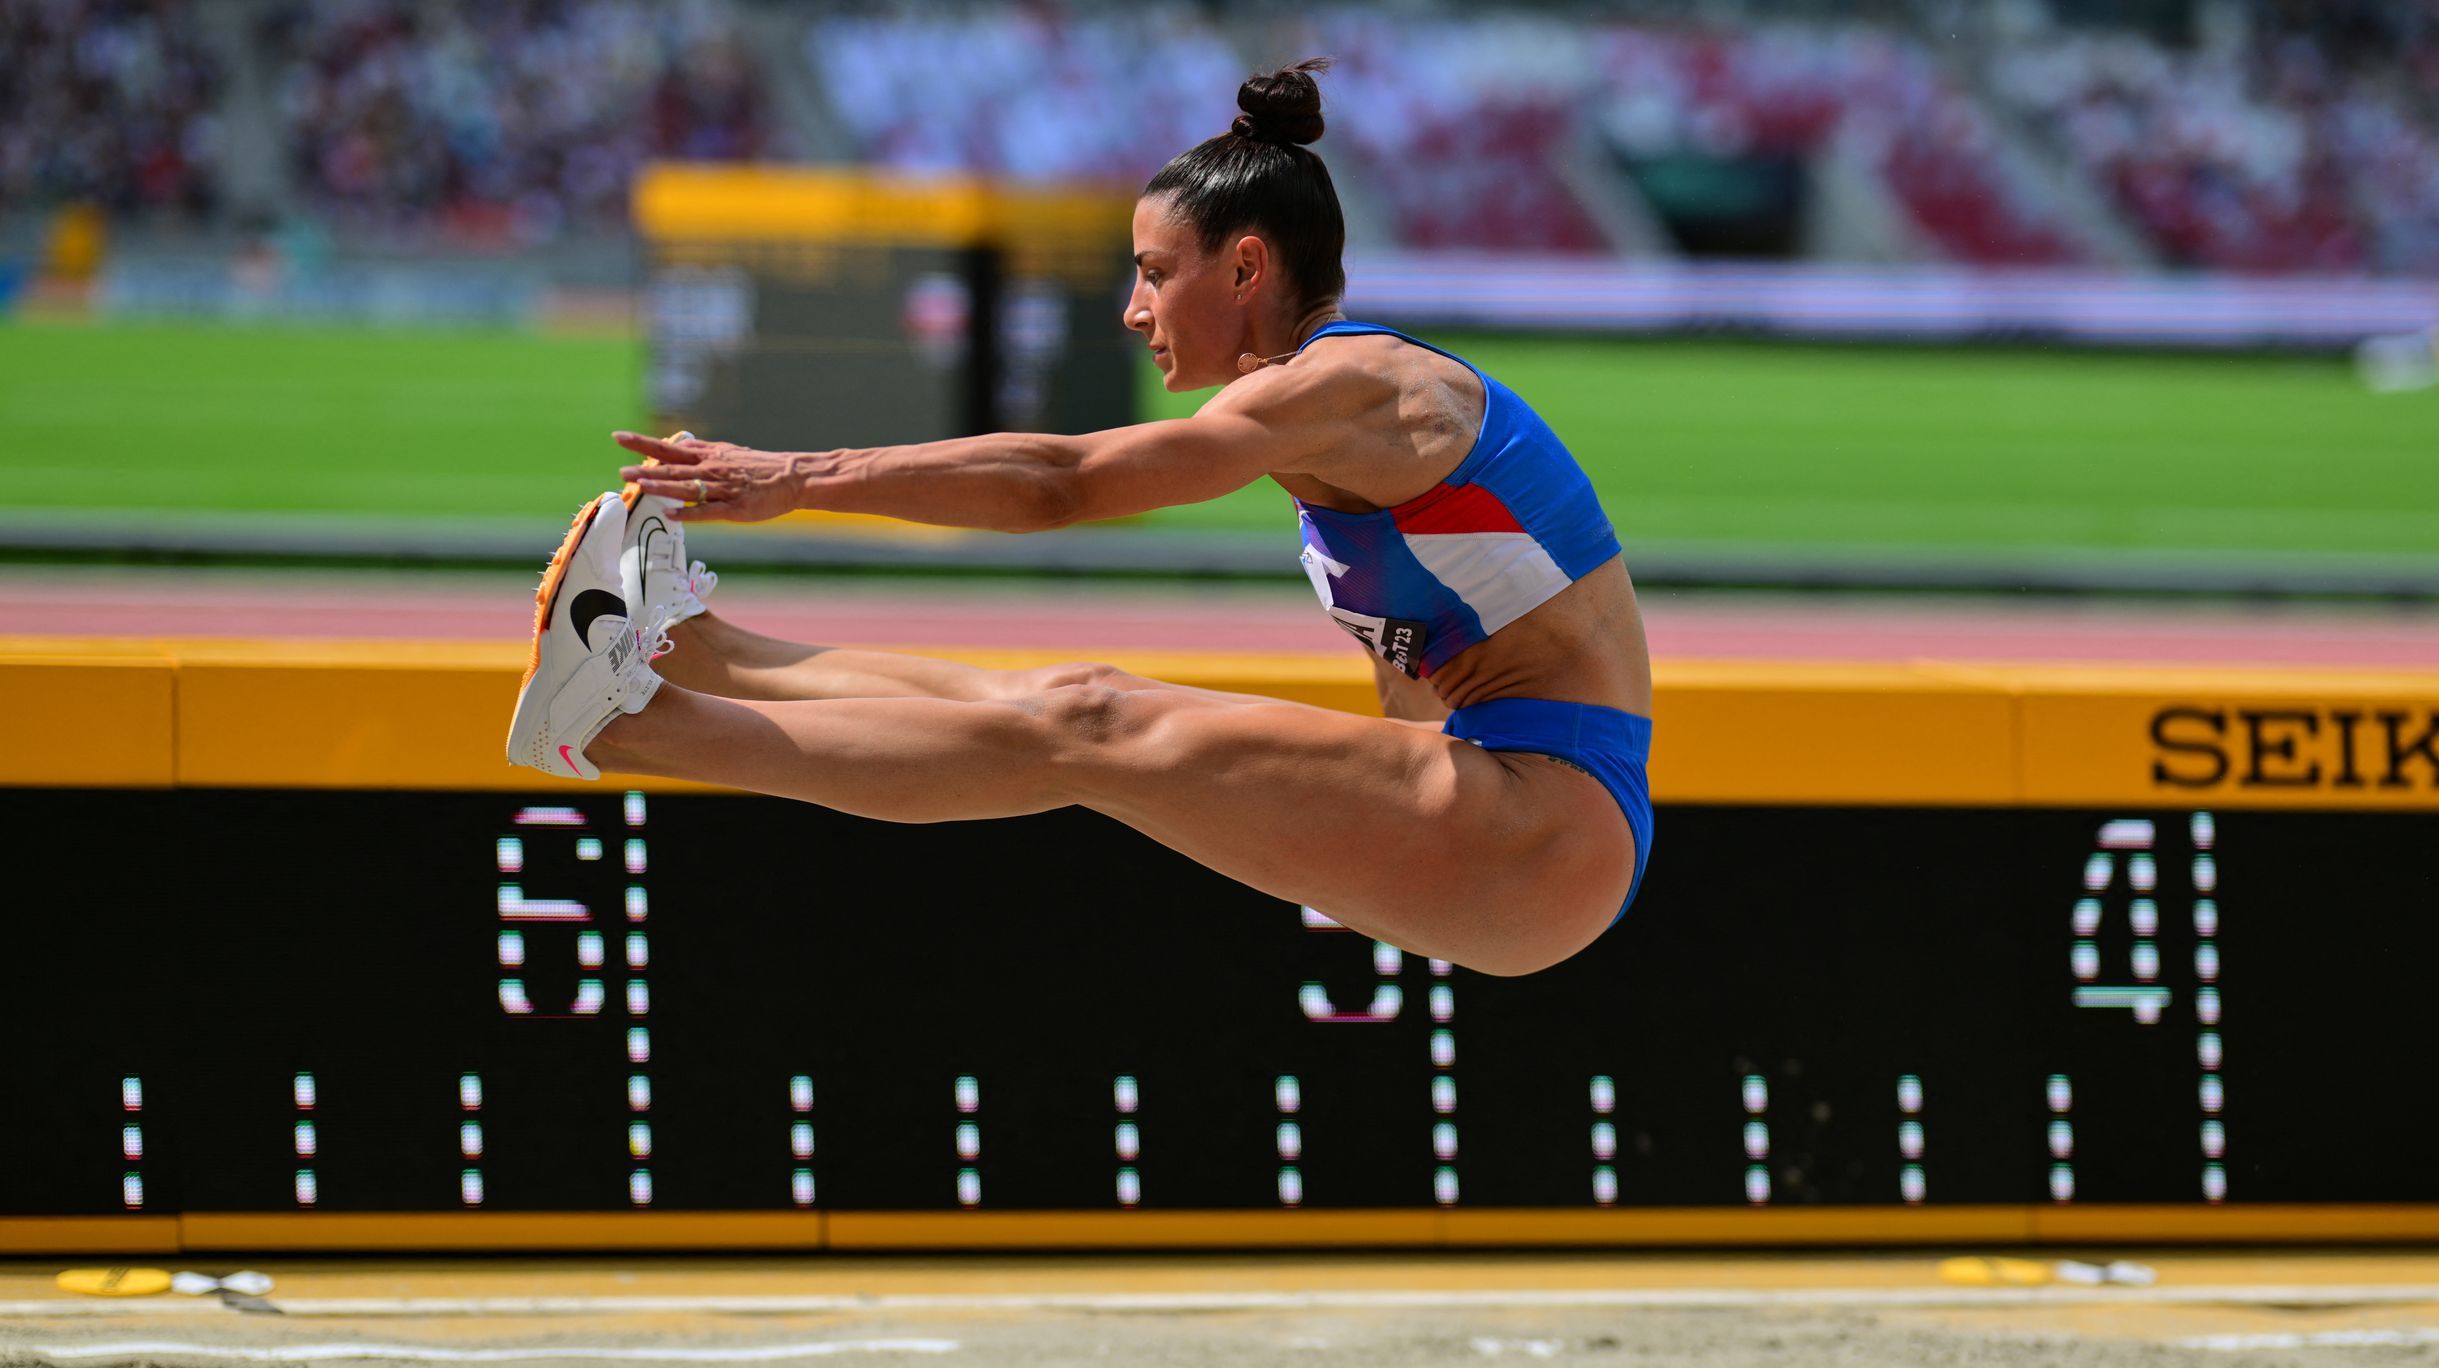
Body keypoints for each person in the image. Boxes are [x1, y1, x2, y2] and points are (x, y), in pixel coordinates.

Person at [505, 60, 1653, 977]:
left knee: (1090, 717)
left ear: (1246, 266)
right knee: (1052, 703)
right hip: (1503, 819)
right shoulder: (1321, 426)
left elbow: (1062, 482)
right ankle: (708, 656)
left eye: (1156, 272)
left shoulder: (1362, 390)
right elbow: (1420, 691)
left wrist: (801, 475)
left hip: (1543, 827)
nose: (1133, 306)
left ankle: (624, 727)